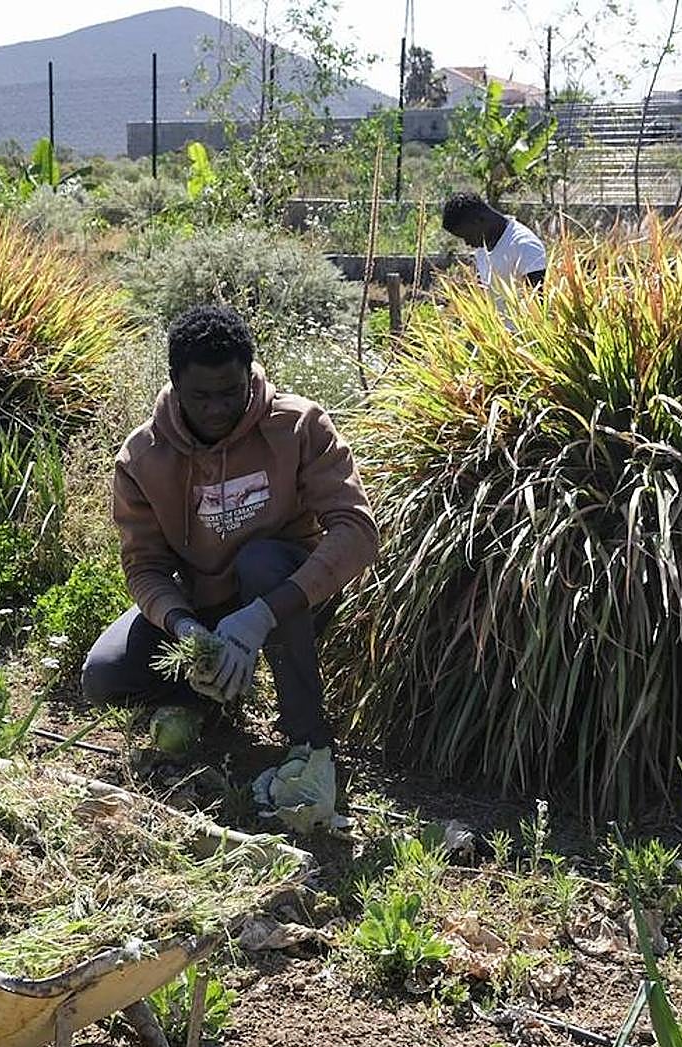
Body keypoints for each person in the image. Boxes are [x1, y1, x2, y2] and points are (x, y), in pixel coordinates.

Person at [81, 305, 377, 833]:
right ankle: (212, 691)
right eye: (202, 396)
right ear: (174, 384)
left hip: (288, 594)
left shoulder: (298, 425)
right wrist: (186, 628)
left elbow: (356, 531)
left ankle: (309, 742)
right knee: (103, 676)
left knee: (260, 560)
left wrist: (261, 615)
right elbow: (145, 568)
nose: (218, 409)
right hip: (206, 603)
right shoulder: (143, 457)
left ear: (250, 374)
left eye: (230, 392)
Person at [441, 191, 548, 293]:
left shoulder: (524, 246)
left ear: (480, 220)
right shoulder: (482, 247)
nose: (467, 243)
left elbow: (539, 304)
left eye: (467, 236)